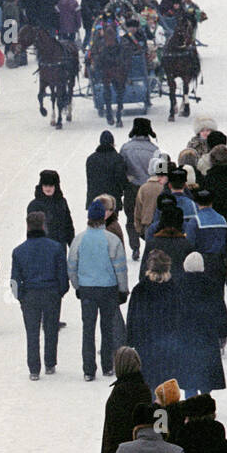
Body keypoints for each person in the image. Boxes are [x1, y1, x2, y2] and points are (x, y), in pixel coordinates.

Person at [67, 199, 128, 382]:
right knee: (107, 328)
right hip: (108, 288)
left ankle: (88, 369)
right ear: (103, 217)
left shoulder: (79, 239)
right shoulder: (112, 240)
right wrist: (122, 289)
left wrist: (77, 286)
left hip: (87, 289)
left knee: (88, 328)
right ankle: (108, 366)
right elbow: (120, 267)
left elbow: (72, 266)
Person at [11, 210, 69, 379]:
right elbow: (62, 275)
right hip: (51, 293)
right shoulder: (56, 248)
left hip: (30, 295)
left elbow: (14, 280)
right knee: (51, 329)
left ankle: (34, 369)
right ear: (44, 226)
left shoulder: (19, 251)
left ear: (27, 226)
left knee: (32, 333)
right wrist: (60, 292)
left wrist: (20, 296)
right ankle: (50, 363)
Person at [178, 253, 227, 396]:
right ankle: (205, 402)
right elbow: (220, 309)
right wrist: (223, 332)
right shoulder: (211, 284)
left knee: (188, 375)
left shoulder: (178, 284)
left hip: (185, 337)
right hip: (207, 336)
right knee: (207, 373)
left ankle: (190, 403)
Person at [120, 118, 160, 259]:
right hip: (151, 188)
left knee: (131, 218)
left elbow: (121, 169)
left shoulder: (125, 148)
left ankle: (135, 247)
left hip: (132, 188)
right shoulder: (155, 150)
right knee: (150, 218)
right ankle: (150, 245)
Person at [26, 170, 74, 249]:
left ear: (56, 186)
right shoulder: (34, 206)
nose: (48, 188)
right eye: (45, 185)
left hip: (60, 248)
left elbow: (68, 226)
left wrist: (72, 246)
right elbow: (31, 231)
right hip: (43, 250)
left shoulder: (62, 202)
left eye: (51, 185)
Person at [85, 130, 128, 211]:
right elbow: (121, 178)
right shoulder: (117, 158)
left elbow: (90, 179)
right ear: (112, 143)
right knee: (111, 222)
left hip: (95, 199)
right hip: (112, 199)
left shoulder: (91, 159)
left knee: (97, 222)